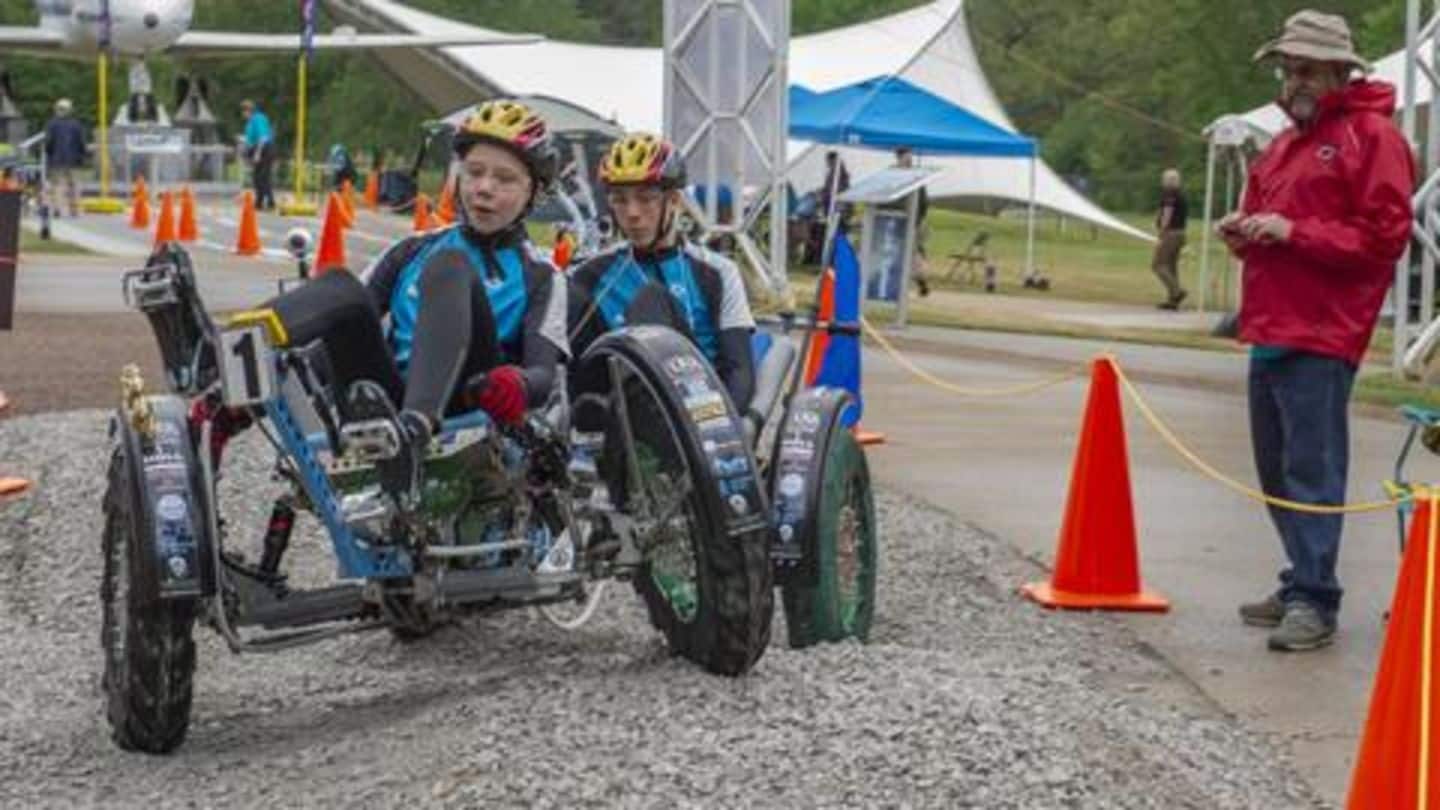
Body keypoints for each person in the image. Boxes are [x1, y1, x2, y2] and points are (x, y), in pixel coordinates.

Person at [237, 99, 568, 508]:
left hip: (468, 405)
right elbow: (344, 328)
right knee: (341, 286)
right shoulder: (410, 250)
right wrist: (279, 377)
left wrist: (517, 384)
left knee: (450, 267)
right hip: (385, 403)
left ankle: (414, 431)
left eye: (505, 179)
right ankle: (235, 348)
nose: (484, 188)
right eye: (475, 172)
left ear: (534, 192)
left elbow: (544, 374)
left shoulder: (542, 275)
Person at [1219, 10, 1414, 652]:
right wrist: (1246, 231)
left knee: (1311, 469)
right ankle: (1301, 576)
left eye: (1304, 68)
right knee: (1276, 471)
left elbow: (1384, 238)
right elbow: (1269, 220)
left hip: (1324, 332)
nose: (1291, 79)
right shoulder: (1283, 144)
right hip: (1271, 324)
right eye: (1287, 67)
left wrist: (1294, 231)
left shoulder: (1372, 136)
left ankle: (1316, 598)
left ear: (1338, 71)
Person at [568, 132, 756, 415]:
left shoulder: (719, 271)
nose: (632, 213)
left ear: (675, 201)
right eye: (619, 199)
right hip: (621, 418)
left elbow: (739, 370)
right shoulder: (589, 274)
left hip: (702, 416)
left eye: (646, 199)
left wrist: (718, 423)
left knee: (650, 301)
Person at [894, 146, 931, 297]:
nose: (908, 160)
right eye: (905, 157)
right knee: (900, 254)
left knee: (913, 254)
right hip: (896, 221)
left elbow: (923, 201)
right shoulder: (893, 174)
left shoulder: (916, 176)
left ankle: (921, 282)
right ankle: (905, 283)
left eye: (909, 157)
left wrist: (918, 220)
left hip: (912, 222)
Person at [1151, 168, 1188, 310]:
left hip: (1170, 234)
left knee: (1158, 265)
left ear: (1168, 181)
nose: (1163, 181)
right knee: (1171, 267)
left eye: (1165, 179)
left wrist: (1161, 230)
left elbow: (1167, 213)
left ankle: (1177, 291)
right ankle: (1173, 301)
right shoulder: (1180, 194)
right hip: (1181, 234)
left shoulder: (1170, 195)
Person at [42, 98, 86, 218]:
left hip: (56, 159)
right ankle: (74, 210)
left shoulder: (52, 124)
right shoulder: (76, 124)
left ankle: (57, 208)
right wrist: (82, 156)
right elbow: (82, 143)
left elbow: (48, 143)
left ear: (57, 109)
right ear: (70, 110)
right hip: (74, 160)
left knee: (57, 185)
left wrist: (49, 153)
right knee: (74, 184)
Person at [240, 100, 276, 211]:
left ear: (249, 111)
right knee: (257, 178)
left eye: (244, 111)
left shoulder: (258, 119)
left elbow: (263, 137)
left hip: (264, 150)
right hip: (259, 149)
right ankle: (259, 202)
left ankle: (270, 202)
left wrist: (257, 154)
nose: (243, 114)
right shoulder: (250, 122)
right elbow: (250, 139)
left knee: (263, 177)